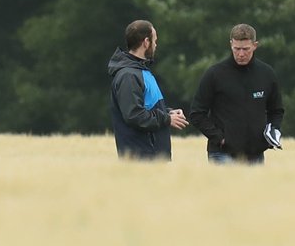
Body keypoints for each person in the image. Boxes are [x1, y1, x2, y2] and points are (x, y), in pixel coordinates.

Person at [188, 23, 284, 166]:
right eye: (236, 49)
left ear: (255, 45)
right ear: (231, 44)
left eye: (246, 49)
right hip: (222, 153)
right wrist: (219, 138)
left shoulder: (267, 74)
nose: (241, 54)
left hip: (256, 155)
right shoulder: (214, 74)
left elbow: (276, 110)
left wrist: (273, 132)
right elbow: (196, 114)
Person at [107, 19, 187, 161]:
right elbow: (134, 115)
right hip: (140, 159)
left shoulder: (141, 72)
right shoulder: (128, 76)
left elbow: (147, 107)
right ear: (146, 42)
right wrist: (167, 119)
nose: (156, 45)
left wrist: (168, 112)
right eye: (154, 40)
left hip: (153, 157)